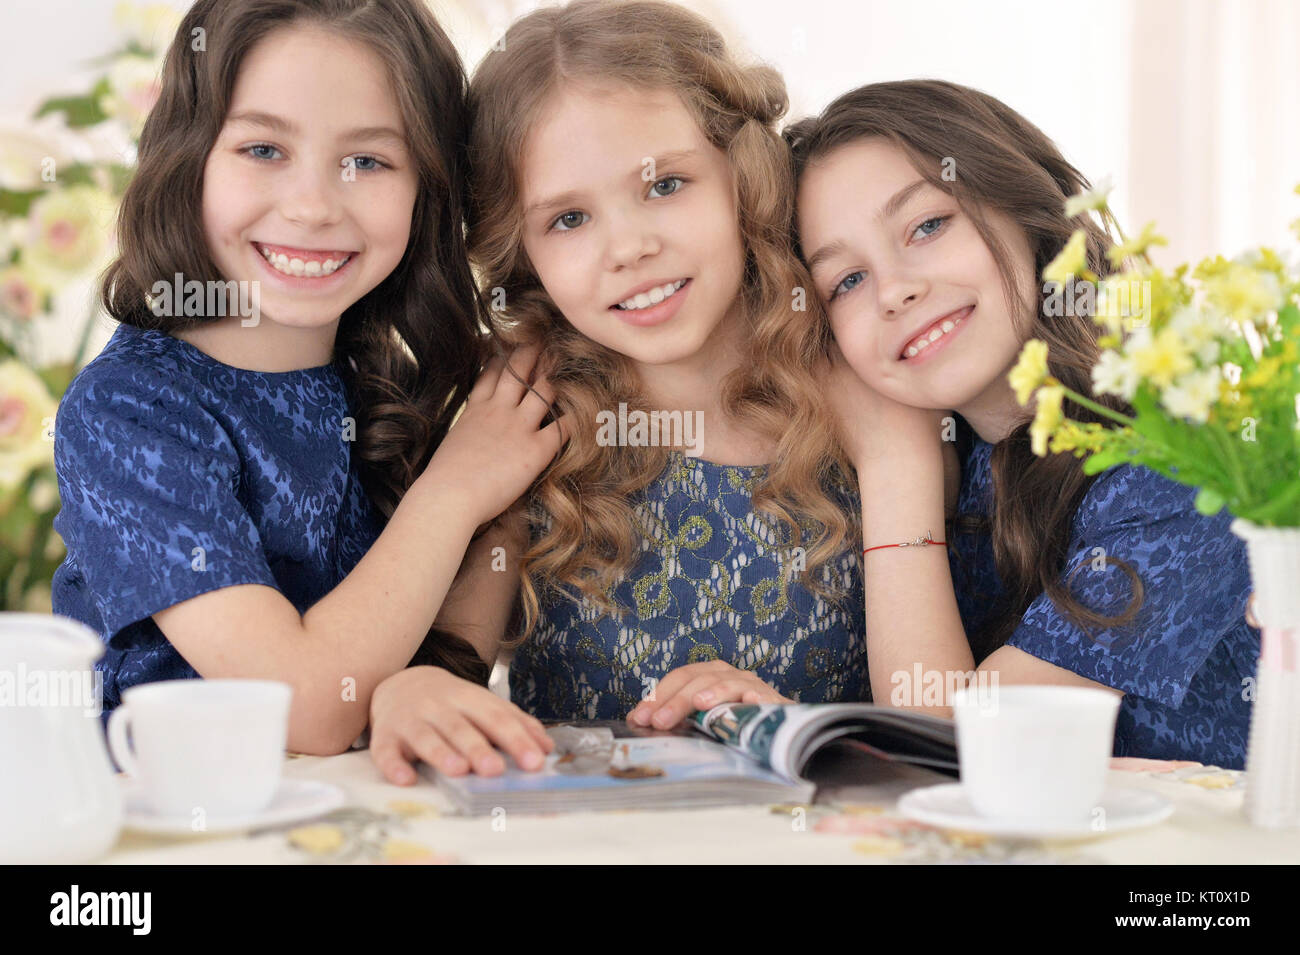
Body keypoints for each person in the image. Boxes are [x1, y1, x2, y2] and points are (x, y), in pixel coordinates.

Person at [52, 0, 562, 757]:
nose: (314, 206)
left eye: (368, 161)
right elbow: (308, 712)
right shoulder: (128, 413)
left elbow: (429, 668)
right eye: (264, 149)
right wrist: (457, 487)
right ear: (189, 155)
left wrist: (496, 497)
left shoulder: (391, 390)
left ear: (425, 190)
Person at [788, 79, 1259, 768]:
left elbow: (963, 753)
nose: (894, 290)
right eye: (846, 282)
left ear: (1024, 210)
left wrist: (897, 462)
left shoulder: (1175, 453)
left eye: (927, 226)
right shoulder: (955, 460)